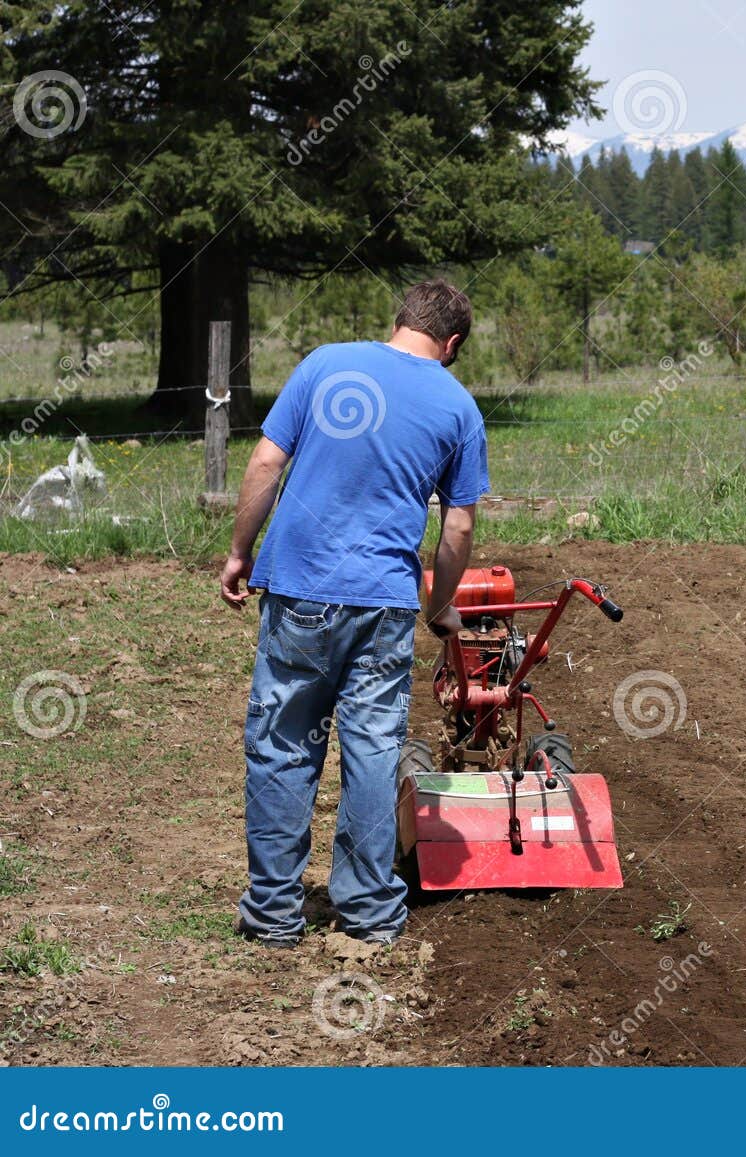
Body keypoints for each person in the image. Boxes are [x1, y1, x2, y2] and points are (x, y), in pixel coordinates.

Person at [219, 279, 489, 947]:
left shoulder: (325, 364)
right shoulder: (458, 407)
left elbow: (265, 461)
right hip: (385, 603)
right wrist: (441, 604)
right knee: (372, 751)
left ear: (400, 319)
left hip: (302, 590)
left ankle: (274, 914)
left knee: (283, 743)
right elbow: (457, 528)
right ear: (451, 343)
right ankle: (368, 911)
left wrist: (239, 551)